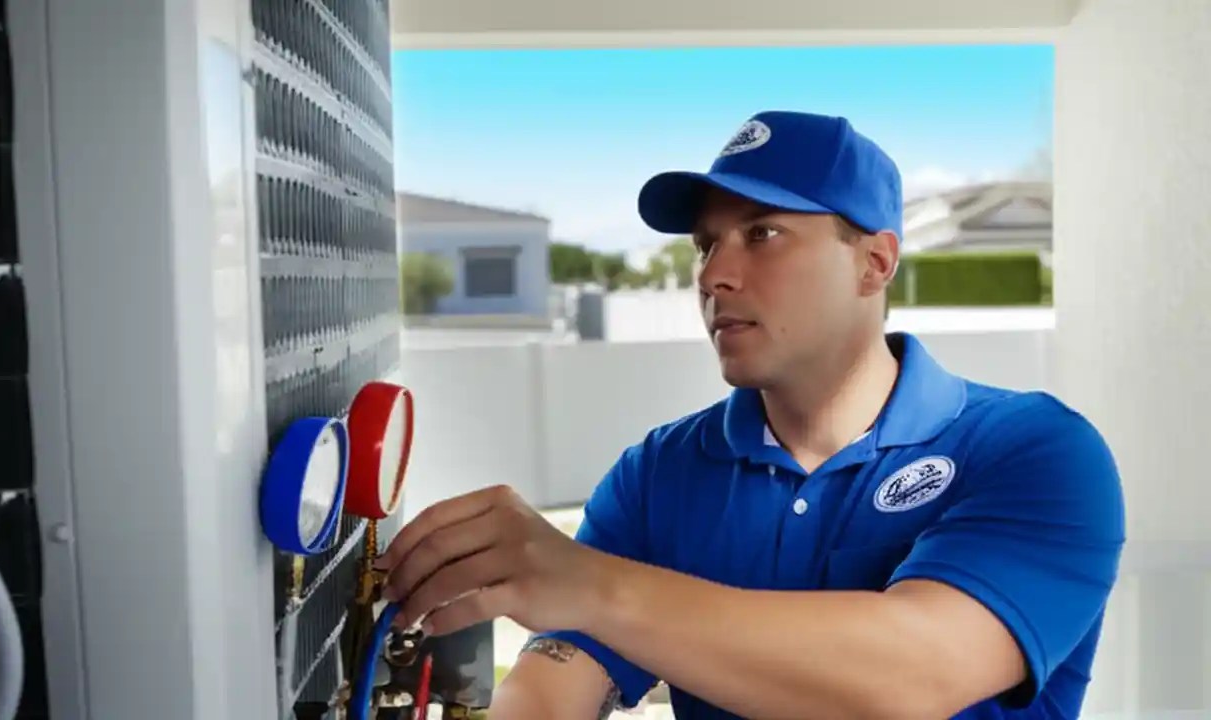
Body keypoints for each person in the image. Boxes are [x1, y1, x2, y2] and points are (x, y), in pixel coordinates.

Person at [374, 110, 1126, 719]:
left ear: (875, 262)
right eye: (706, 244)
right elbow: (559, 682)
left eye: (762, 234)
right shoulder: (661, 474)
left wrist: (587, 581)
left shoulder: (1036, 452)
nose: (713, 275)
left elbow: (913, 676)